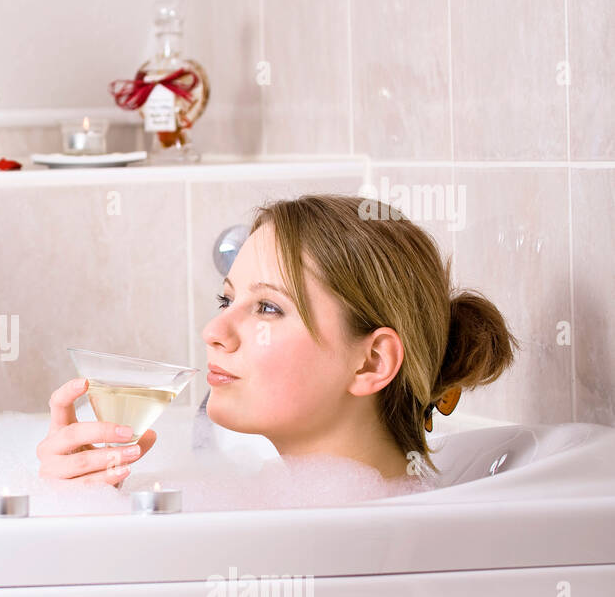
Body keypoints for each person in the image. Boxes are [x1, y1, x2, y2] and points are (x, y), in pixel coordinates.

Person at [38, 194, 519, 486]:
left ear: (371, 362)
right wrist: (88, 495)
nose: (213, 332)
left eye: (268, 307)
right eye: (227, 301)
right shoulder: (277, 513)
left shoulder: (370, 552)